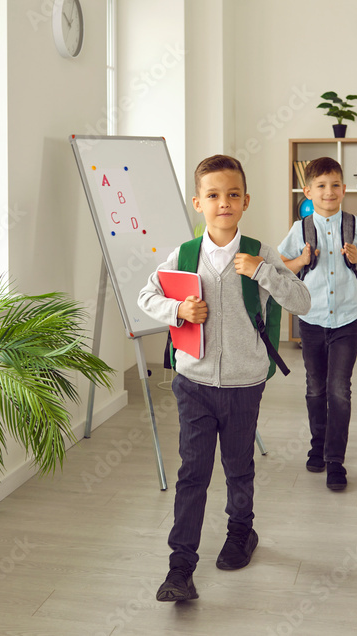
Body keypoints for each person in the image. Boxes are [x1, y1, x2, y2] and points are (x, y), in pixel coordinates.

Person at [138, 155, 310, 602]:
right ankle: (180, 569)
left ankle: (241, 532)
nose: (224, 203)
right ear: (198, 202)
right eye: (213, 195)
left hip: (243, 384)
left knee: (238, 467)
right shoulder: (184, 255)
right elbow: (146, 296)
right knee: (192, 474)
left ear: (246, 200)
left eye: (233, 194)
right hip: (192, 383)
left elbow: (302, 301)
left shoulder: (260, 253)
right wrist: (178, 309)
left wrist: (263, 272)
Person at [278, 157, 357, 490]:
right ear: (308, 191)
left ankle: (336, 460)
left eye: (335, 185)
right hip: (311, 319)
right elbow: (282, 266)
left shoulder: (356, 225)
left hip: (347, 320)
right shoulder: (299, 229)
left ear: (344, 189)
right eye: (321, 186)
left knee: (339, 389)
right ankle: (317, 446)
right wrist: (301, 259)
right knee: (315, 387)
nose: (329, 191)